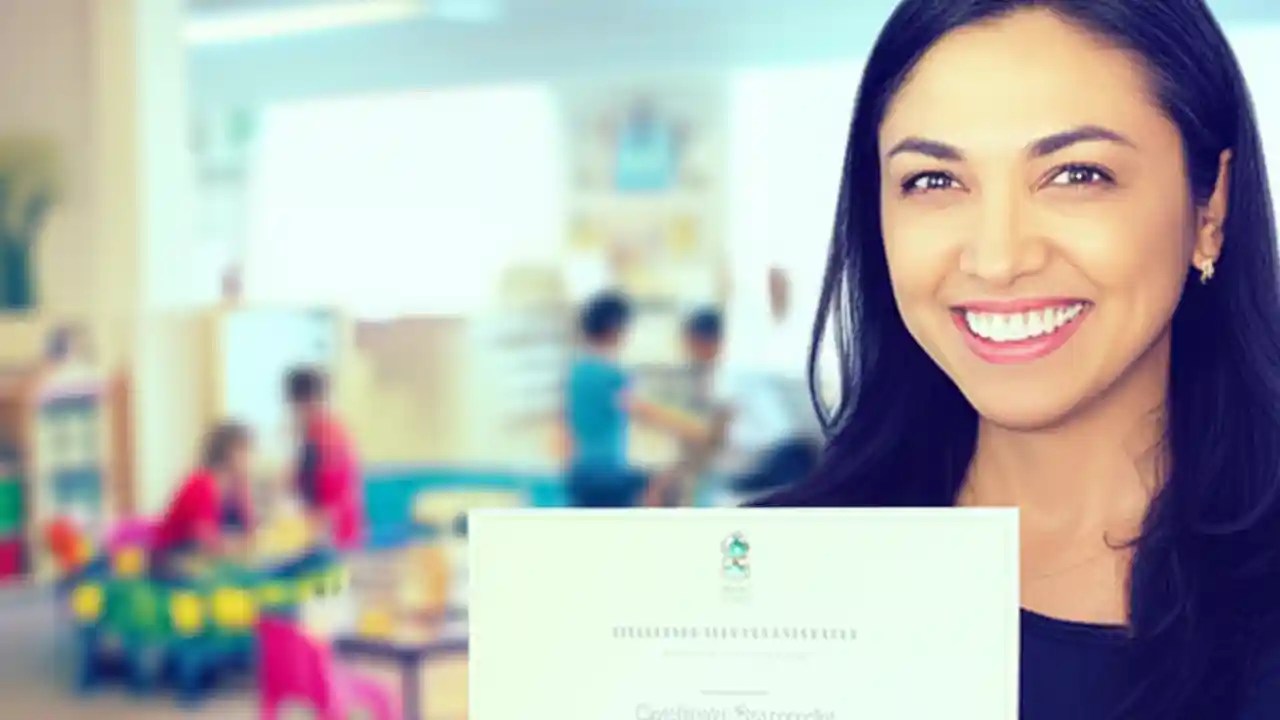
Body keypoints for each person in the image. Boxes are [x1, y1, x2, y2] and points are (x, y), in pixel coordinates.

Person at [761, 1, 1280, 718]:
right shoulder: (767, 578)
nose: (998, 259)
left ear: (1210, 205)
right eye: (934, 182)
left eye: (1077, 175)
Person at [564, 291, 707, 508]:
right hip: (606, 475)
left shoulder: (577, 372)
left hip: (579, 473)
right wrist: (693, 428)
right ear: (616, 329)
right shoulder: (611, 374)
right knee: (669, 486)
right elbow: (642, 409)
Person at [152, 422, 255, 575]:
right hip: (173, 561)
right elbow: (206, 544)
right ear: (228, 452)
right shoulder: (201, 484)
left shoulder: (235, 488)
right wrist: (240, 545)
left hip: (203, 562)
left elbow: (250, 534)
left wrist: (244, 493)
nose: (250, 458)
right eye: (245, 450)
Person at [286, 367, 364, 551]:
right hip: (346, 531)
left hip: (328, 534)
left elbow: (318, 495)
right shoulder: (337, 430)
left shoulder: (318, 439)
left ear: (301, 403)